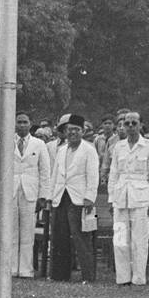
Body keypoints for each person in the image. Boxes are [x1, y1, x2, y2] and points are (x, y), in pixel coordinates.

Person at [107, 111, 149, 285]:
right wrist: (111, 199)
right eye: (126, 123)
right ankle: (123, 278)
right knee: (121, 239)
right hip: (121, 196)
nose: (130, 126)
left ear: (140, 125)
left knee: (139, 240)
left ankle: (138, 278)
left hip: (140, 197)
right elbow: (113, 174)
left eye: (133, 123)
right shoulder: (118, 147)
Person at [48, 113, 99, 282]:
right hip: (60, 197)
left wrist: (90, 197)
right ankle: (59, 275)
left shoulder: (89, 150)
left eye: (76, 130)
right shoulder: (61, 150)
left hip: (79, 199)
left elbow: (93, 176)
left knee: (81, 238)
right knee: (59, 236)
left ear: (83, 132)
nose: (73, 133)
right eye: (70, 130)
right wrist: (50, 196)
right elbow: (55, 175)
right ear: (65, 131)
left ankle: (88, 276)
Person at [11, 112, 51, 279]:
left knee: (27, 231)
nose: (21, 125)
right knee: (11, 231)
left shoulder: (39, 144)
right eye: (18, 122)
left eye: (24, 122)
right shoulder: (7, 141)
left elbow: (44, 171)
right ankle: (12, 268)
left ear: (30, 124)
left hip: (30, 191)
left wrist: (43, 196)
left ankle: (26, 269)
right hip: (11, 191)